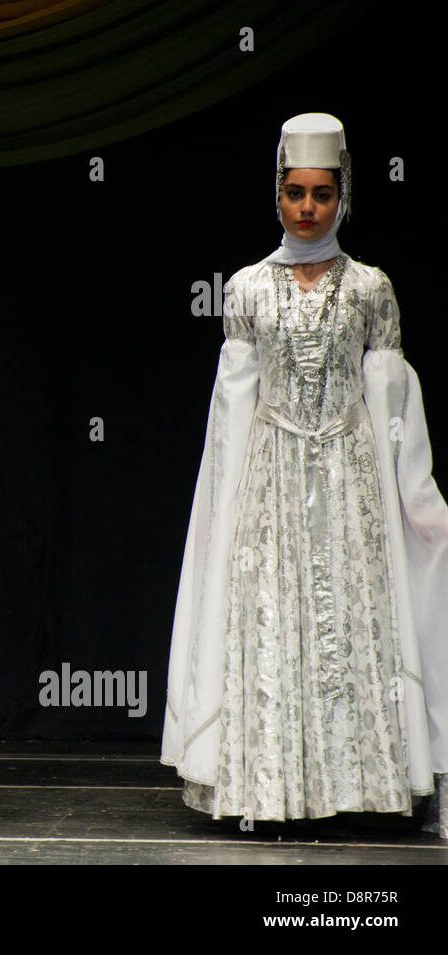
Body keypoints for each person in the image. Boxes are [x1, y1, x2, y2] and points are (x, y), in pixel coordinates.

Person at [163, 113, 448, 836]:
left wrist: (410, 501)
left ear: (344, 194)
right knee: (272, 623)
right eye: (296, 192)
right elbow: (231, 411)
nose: (309, 208)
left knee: (356, 626)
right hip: (272, 480)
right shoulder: (249, 288)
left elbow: (391, 402)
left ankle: (364, 787)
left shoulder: (371, 289)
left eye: (323, 193)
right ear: (278, 193)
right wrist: (225, 512)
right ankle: (273, 786)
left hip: (352, 481)